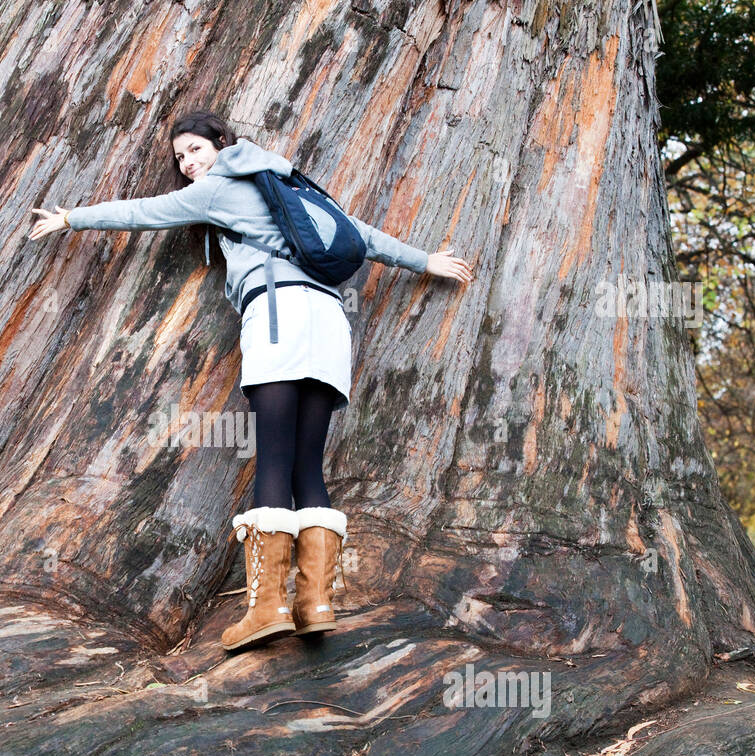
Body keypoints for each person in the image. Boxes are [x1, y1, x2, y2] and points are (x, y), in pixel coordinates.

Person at [28, 110, 472, 654]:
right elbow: (360, 236)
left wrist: (72, 218)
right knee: (309, 467)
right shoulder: (283, 178)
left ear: (221, 142)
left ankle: (266, 610)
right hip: (330, 324)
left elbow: (144, 212)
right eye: (180, 158)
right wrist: (424, 259)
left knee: (274, 462)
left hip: (278, 315)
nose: (188, 164)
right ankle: (315, 605)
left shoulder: (217, 190)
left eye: (194, 149)